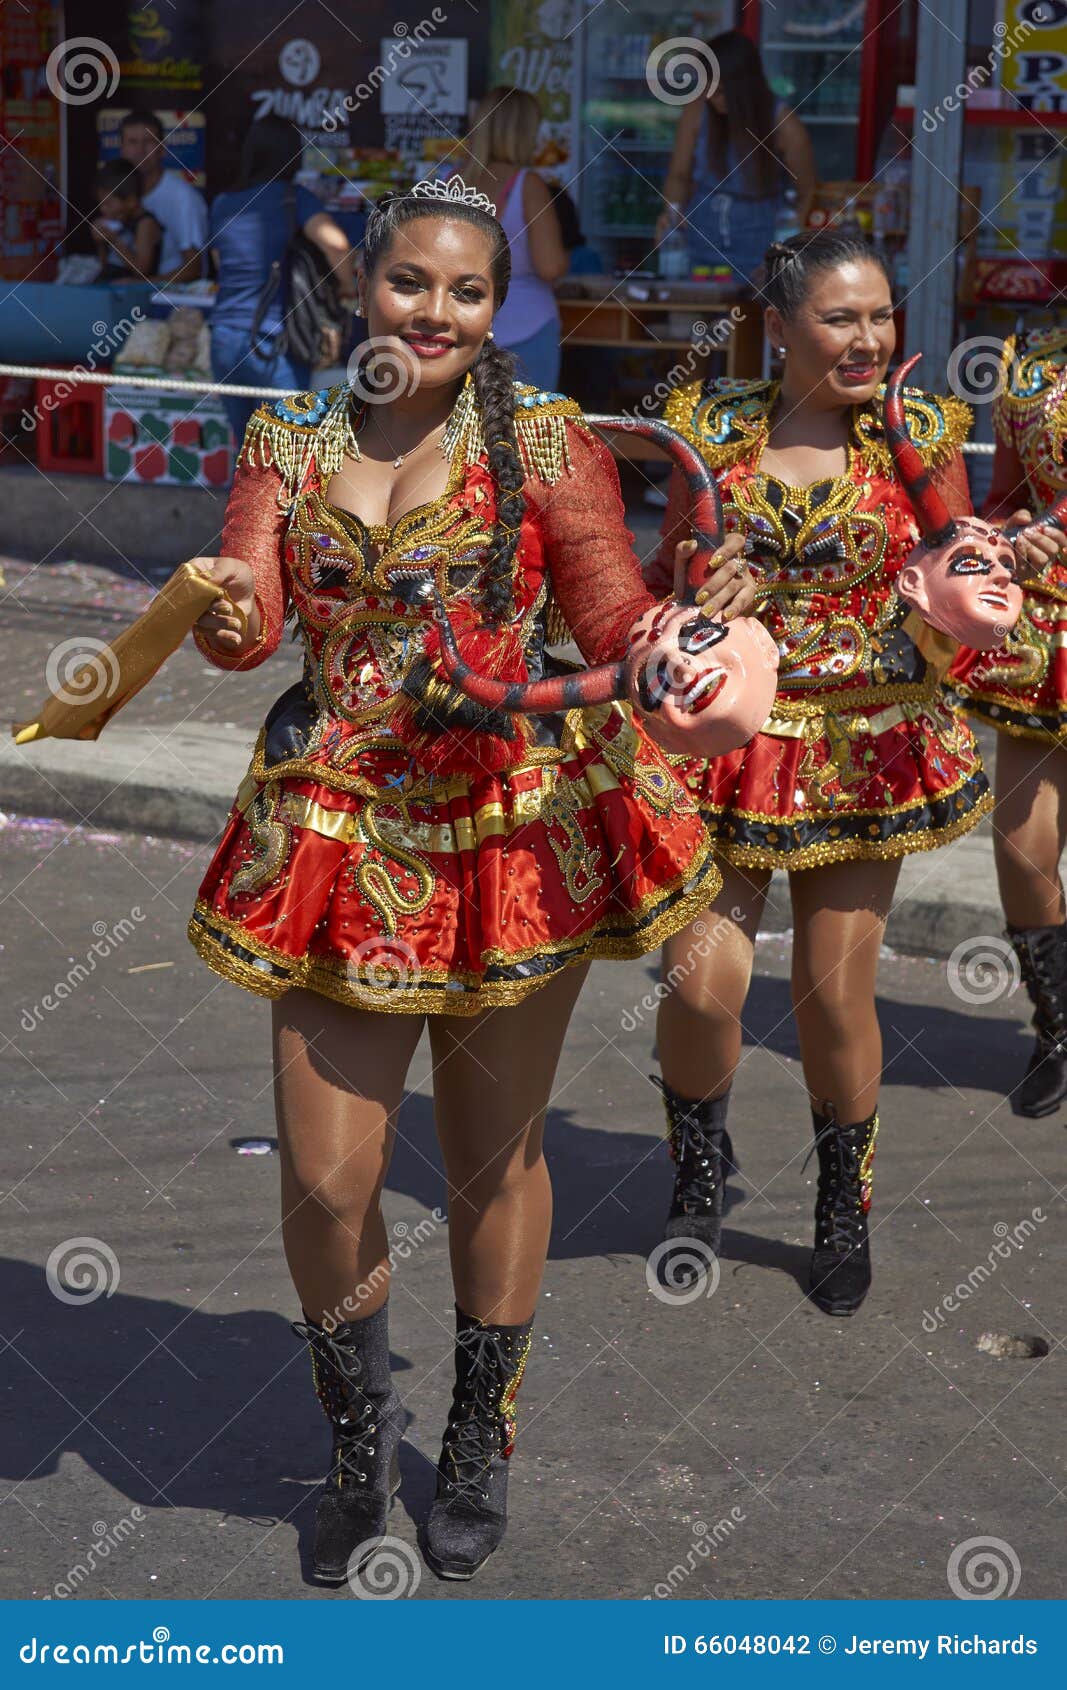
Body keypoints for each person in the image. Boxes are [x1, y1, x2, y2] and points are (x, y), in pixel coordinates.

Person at [182, 176, 753, 1583]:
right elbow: (249, 627)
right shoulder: (286, 438)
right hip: (335, 833)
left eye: (467, 291)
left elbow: (609, 617)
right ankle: (356, 1442)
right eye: (409, 283)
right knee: (326, 1182)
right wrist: (226, 610)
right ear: (363, 286)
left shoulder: (543, 440)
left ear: (498, 306)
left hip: (508, 829)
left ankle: (480, 1432)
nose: (434, 312)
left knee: (494, 1158)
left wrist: (682, 620)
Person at [641, 230, 1041, 1319]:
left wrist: (995, 576)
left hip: (866, 747)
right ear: (779, 328)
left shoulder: (920, 430)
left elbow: (954, 578)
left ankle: (840, 1207)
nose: (866, 339)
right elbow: (659, 577)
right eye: (838, 318)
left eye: (879, 316)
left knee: (830, 994)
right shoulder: (708, 427)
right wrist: (700, 587)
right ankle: (696, 1168)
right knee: (700, 988)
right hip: (727, 742)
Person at [947, 326, 1067, 1116]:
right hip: (1046, 632)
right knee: (1022, 845)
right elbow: (1002, 498)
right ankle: (1055, 1026)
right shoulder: (1030, 366)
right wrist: (1011, 535)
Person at [208, 115, 356, 446]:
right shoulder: (295, 198)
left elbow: (219, 262)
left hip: (224, 341)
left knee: (246, 452)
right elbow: (337, 245)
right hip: (276, 344)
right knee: (287, 453)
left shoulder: (222, 203)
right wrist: (347, 288)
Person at [656, 30, 816, 288]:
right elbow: (679, 176)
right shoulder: (697, 112)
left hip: (760, 254)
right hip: (699, 246)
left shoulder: (785, 126)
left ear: (743, 88)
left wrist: (783, 254)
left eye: (719, 91)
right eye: (706, 89)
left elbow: (805, 193)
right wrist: (670, 215)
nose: (711, 98)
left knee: (750, 312)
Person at [441, 87, 567, 389]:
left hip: (463, 323)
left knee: (465, 415)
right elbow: (550, 267)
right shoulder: (529, 185)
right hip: (528, 326)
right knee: (529, 418)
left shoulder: (452, 181)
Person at [118, 108, 208, 284]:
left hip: (170, 297)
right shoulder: (118, 192)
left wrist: (143, 286)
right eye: (132, 142)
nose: (140, 150)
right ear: (122, 149)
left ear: (162, 149)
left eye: (148, 142)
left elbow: (194, 268)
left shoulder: (183, 197)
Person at [91, 162, 162, 283]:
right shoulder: (118, 220)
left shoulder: (145, 223)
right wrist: (100, 242)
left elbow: (141, 270)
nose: (103, 209)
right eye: (101, 203)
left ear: (130, 201)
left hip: (132, 288)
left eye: (108, 204)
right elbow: (104, 265)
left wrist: (114, 240)